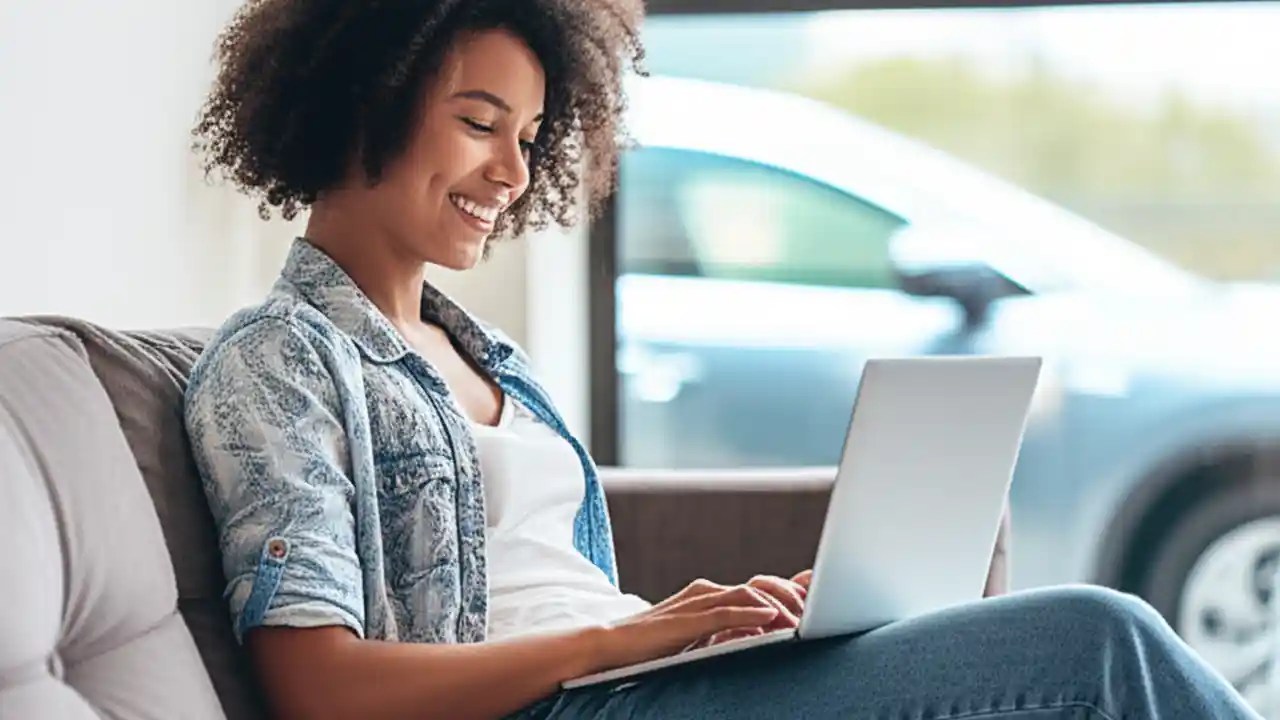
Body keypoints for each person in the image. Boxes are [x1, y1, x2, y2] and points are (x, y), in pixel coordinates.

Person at [183, 1, 1261, 718]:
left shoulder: (487, 354)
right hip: (572, 704)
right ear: (362, 99)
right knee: (1099, 640)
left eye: (531, 138)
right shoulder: (278, 361)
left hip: (633, 685)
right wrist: (621, 644)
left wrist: (694, 633)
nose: (513, 171)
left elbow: (544, 588)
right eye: (480, 123)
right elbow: (316, 686)